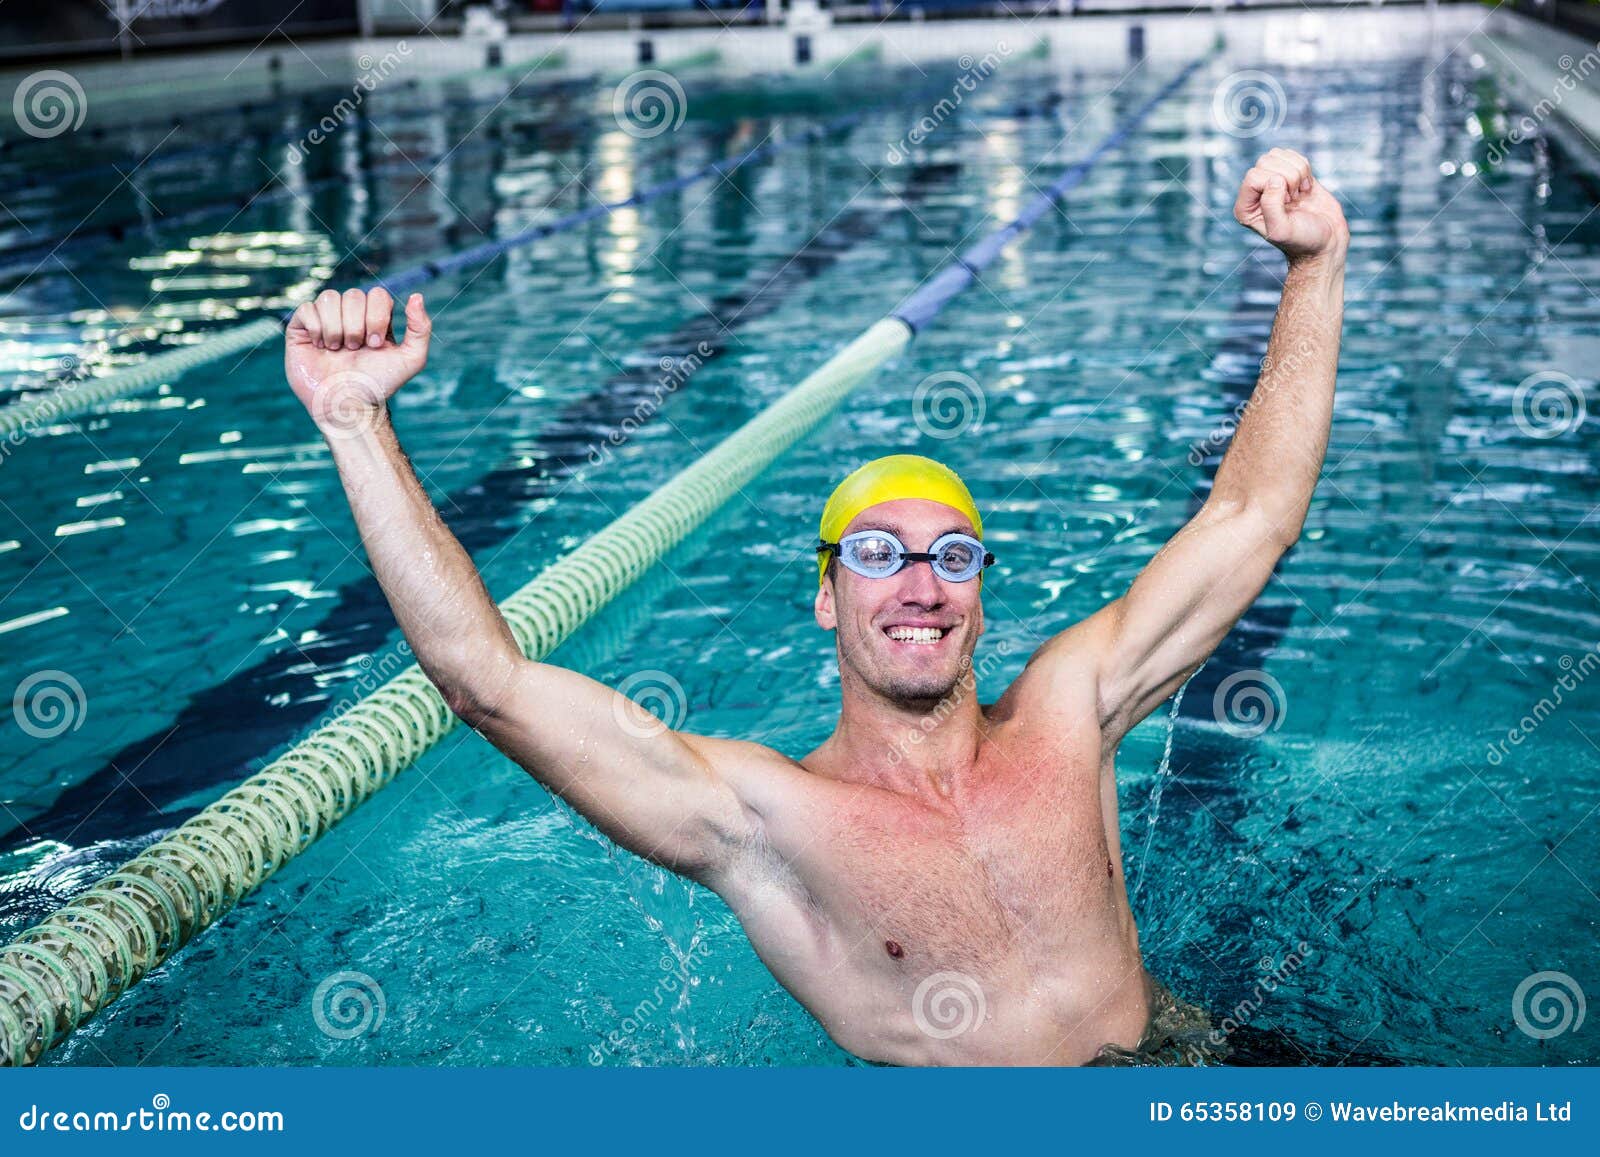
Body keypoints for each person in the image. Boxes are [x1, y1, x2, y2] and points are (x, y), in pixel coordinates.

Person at [284, 148, 1347, 1065]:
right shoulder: (765, 818)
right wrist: (355, 424)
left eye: (953, 556)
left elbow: (1250, 516)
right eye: (878, 554)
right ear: (825, 596)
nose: (921, 584)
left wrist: (1313, 266)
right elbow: (489, 682)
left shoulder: (1070, 711)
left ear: (980, 595)